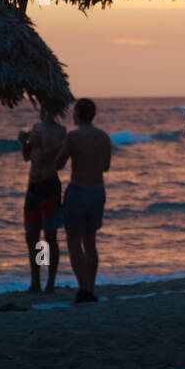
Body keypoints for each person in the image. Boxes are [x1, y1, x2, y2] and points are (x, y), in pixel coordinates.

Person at [54, 98, 112, 303]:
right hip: (97, 192)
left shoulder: (73, 137)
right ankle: (91, 288)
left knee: (74, 243)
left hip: (78, 190)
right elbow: (106, 167)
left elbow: (59, 164)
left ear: (77, 113)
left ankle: (83, 288)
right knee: (90, 242)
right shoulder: (104, 137)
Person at [20, 105, 66, 293]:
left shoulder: (60, 131)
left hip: (49, 184)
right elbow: (26, 157)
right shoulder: (36, 128)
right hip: (33, 186)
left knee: (50, 236)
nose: (42, 111)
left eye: (46, 108)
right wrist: (24, 142)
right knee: (33, 236)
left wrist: (40, 137)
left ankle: (50, 283)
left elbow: (52, 155)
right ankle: (36, 282)